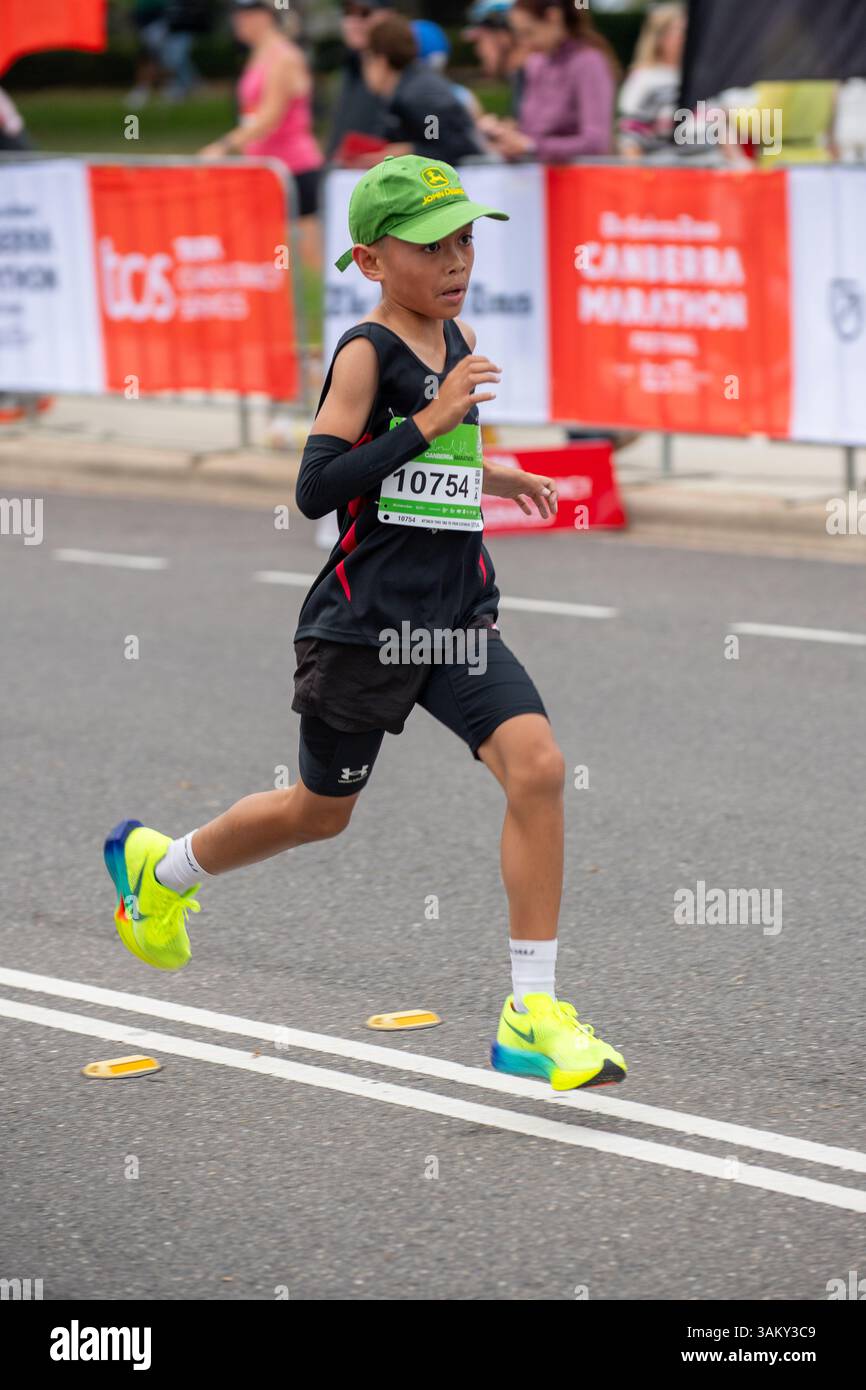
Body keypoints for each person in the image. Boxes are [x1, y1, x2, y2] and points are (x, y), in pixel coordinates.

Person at [103, 153, 627, 1094]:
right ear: (372, 261)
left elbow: (429, 472)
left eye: (466, 239)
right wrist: (428, 427)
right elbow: (317, 487)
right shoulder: (365, 352)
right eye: (433, 245)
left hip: (456, 615)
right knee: (320, 813)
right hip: (364, 624)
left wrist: (491, 471)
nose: (457, 260)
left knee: (539, 768)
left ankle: (531, 1010)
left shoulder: (451, 335)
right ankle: (163, 873)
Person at [201, 0, 324, 273]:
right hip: (263, 167)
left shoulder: (283, 57)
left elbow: (270, 116)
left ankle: (329, 308)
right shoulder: (260, 53)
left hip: (292, 167)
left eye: (243, 16)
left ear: (263, 16)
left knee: (308, 255)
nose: (237, 23)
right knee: (266, 250)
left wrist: (223, 146)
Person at [483, 0, 619, 162]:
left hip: (579, 181)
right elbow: (533, 129)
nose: (525, 43)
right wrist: (507, 135)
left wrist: (532, 146)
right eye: (519, 34)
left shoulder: (588, 63)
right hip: (539, 178)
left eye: (529, 33)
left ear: (553, 17)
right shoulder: (537, 63)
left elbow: (597, 142)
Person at [356, 15, 485, 168]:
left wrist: (406, 151)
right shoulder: (413, 88)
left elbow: (446, 147)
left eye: (366, 60)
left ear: (381, 60)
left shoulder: (420, 96)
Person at [326, 0, 394, 162]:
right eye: (347, 13)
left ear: (389, 17)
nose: (353, 22)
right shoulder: (350, 67)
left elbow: (436, 145)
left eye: (365, 13)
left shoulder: (407, 75)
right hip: (345, 180)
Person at [617, 2, 686, 158]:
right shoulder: (644, 79)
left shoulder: (701, 76)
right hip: (665, 173)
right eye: (681, 31)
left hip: (710, 172)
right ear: (660, 37)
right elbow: (630, 138)